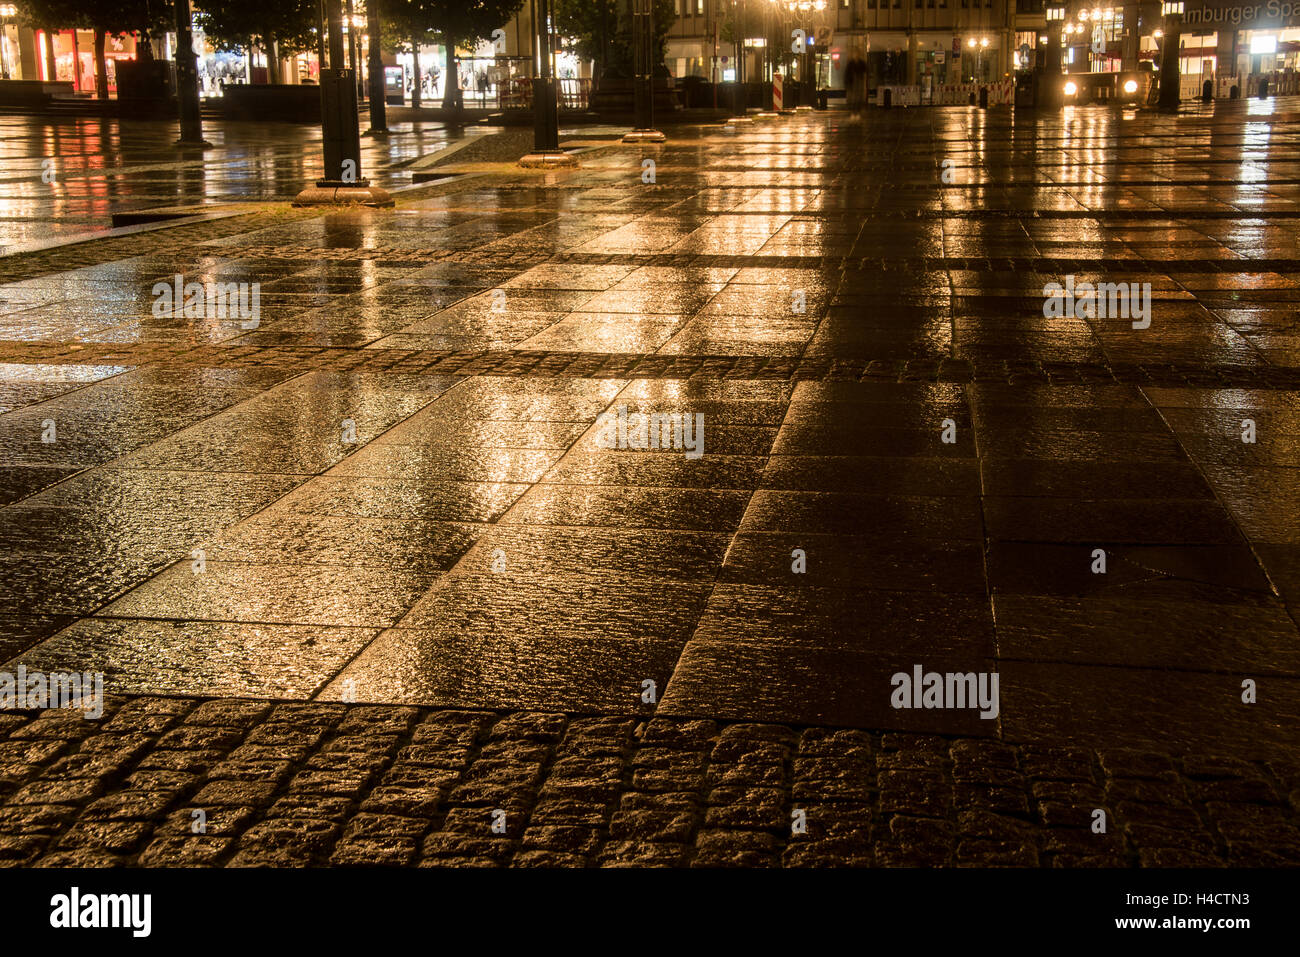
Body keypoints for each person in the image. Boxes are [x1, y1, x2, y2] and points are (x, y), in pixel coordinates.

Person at [844, 50, 868, 118]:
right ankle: (854, 112)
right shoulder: (852, 63)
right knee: (854, 97)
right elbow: (847, 73)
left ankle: (857, 112)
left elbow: (865, 70)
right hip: (854, 81)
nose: (856, 56)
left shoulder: (858, 63)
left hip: (858, 80)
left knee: (858, 97)